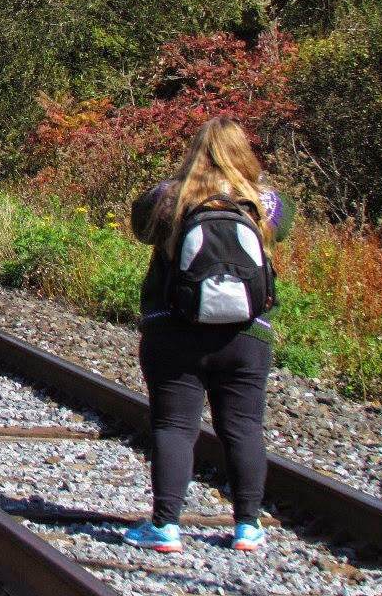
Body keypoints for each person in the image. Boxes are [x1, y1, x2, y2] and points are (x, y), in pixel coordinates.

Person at [123, 116, 294, 553]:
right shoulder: (266, 202)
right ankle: (248, 526)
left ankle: (165, 526)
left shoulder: (167, 197)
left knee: (174, 425)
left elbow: (139, 227)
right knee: (243, 425)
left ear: (196, 150)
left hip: (173, 329)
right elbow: (284, 226)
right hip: (246, 334)